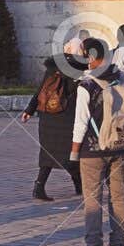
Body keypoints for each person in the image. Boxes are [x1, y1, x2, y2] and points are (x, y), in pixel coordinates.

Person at [66, 39, 124, 246]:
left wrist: (74, 154)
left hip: (93, 150)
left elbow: (80, 123)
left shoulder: (86, 84)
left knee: (93, 200)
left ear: (88, 56)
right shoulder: (122, 77)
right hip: (119, 143)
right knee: (119, 195)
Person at [23, 53, 82, 200]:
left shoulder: (51, 69)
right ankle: (79, 184)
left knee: (48, 154)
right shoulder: (77, 71)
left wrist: (29, 110)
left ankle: (39, 186)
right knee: (71, 153)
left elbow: (40, 91)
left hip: (47, 118)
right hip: (66, 119)